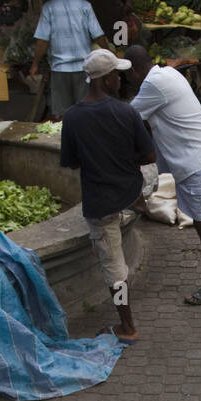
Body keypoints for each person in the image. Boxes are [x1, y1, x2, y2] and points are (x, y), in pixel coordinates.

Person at [60, 49, 156, 344]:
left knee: (114, 270)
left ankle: (127, 326)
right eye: (117, 74)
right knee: (118, 268)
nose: (120, 79)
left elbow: (71, 162)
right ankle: (127, 325)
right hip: (128, 193)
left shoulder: (72, 117)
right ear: (105, 79)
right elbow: (149, 155)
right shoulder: (126, 112)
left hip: (100, 203)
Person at [123, 44, 201, 306]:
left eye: (126, 76)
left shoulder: (153, 84)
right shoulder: (167, 73)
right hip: (199, 155)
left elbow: (126, 118)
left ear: (133, 72)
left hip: (195, 160)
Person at [29, 0, 107, 119]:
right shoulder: (85, 5)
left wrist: (35, 64)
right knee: (85, 113)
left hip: (59, 69)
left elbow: (42, 40)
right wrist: (109, 53)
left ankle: (66, 132)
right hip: (83, 67)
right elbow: (98, 35)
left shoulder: (48, 7)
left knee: (63, 115)